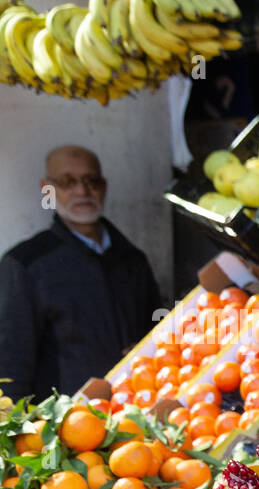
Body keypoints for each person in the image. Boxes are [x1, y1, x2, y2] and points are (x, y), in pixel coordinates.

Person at [0, 145, 162, 401]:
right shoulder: (25, 264)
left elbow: (158, 333)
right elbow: (11, 365)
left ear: (104, 186)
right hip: (67, 426)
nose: (82, 191)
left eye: (91, 181)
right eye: (67, 182)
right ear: (48, 190)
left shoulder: (132, 259)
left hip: (135, 416)